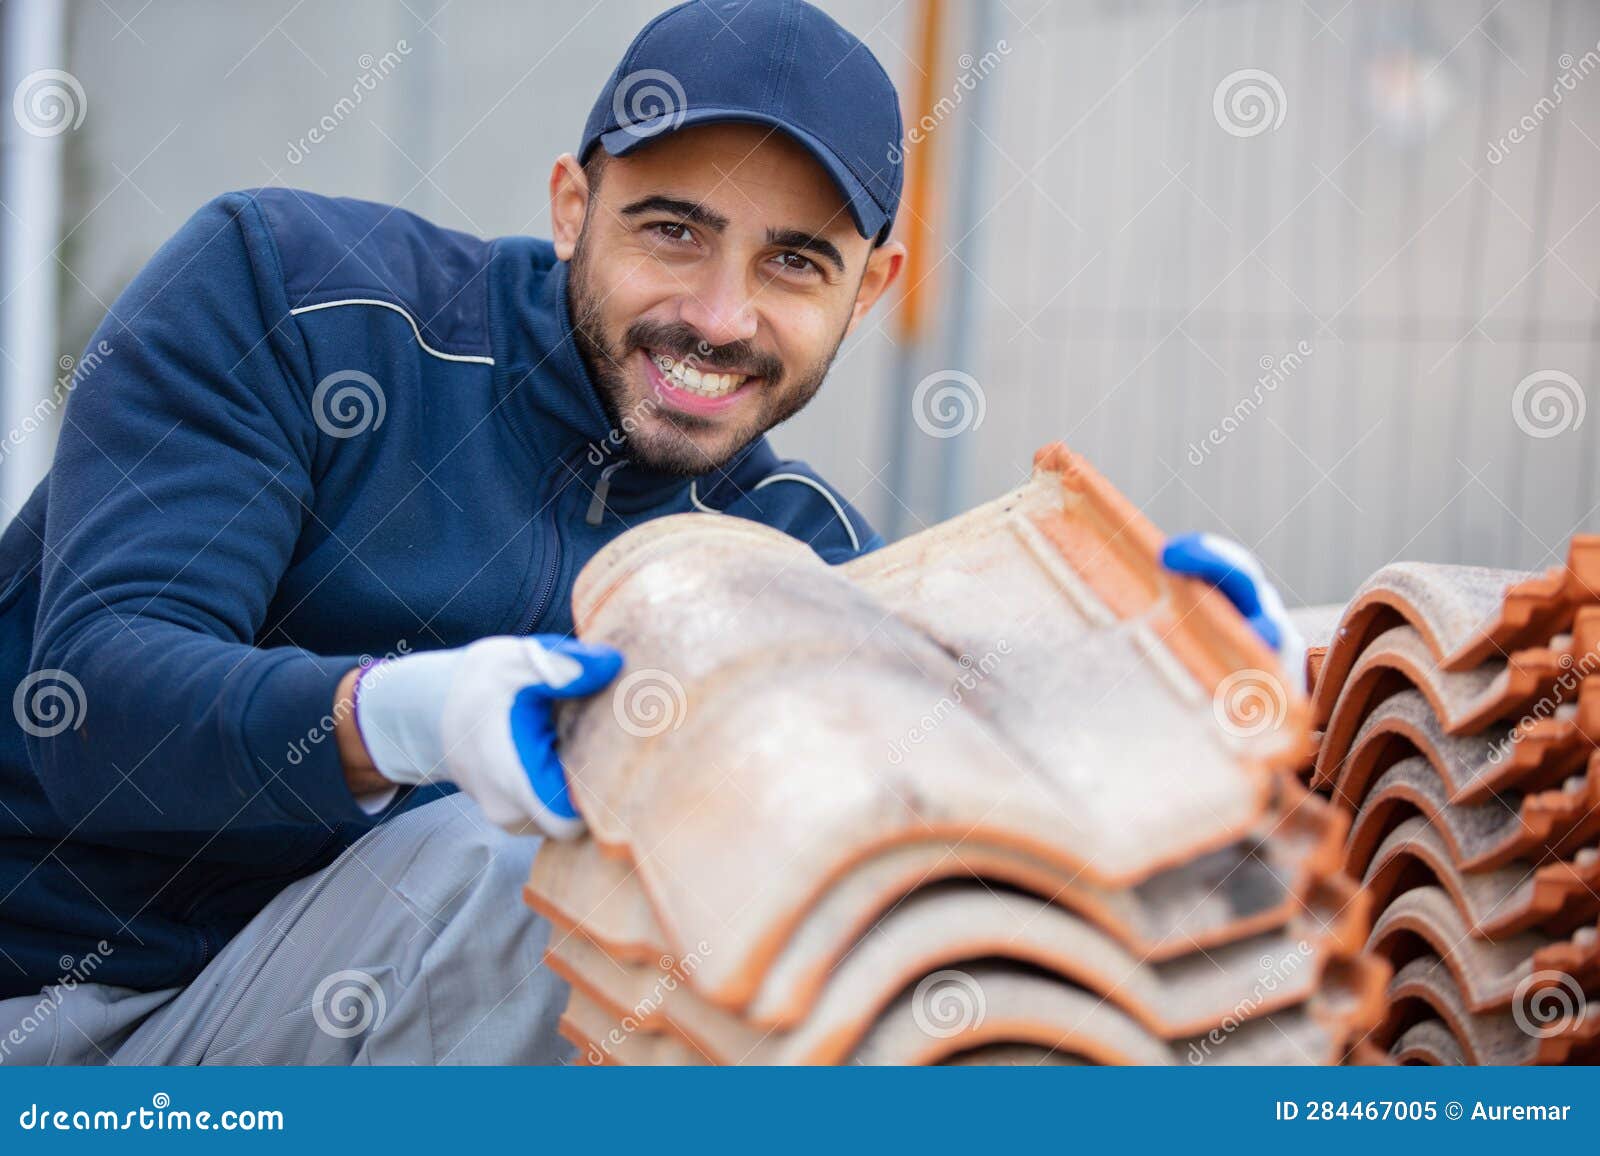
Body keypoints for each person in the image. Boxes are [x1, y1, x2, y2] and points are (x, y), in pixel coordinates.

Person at [0, 0, 1296, 1065]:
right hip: (65, 1016)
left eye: (795, 262)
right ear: (573, 204)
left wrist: (1170, 702)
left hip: (387, 1048)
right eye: (674, 231)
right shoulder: (296, 298)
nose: (719, 318)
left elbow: (936, 840)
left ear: (871, 290)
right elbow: (94, 705)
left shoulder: (796, 550)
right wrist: (404, 718)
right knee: (546, 869)